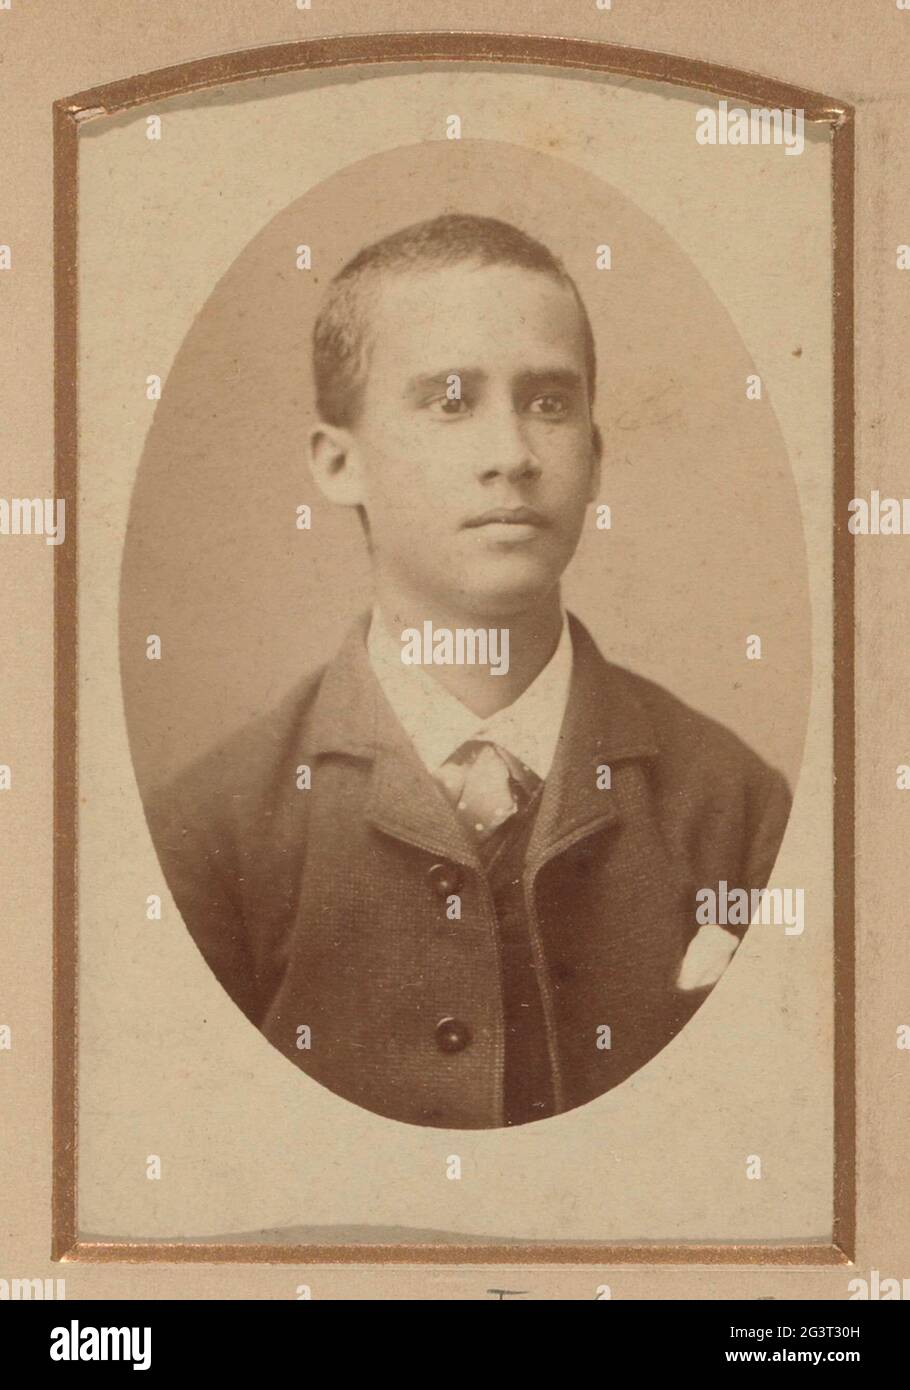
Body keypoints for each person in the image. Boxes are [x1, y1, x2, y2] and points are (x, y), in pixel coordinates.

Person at [146, 213, 791, 1129]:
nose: (514, 456)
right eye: (451, 401)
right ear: (339, 462)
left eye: (551, 402)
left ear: (596, 459)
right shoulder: (212, 832)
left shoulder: (734, 807)